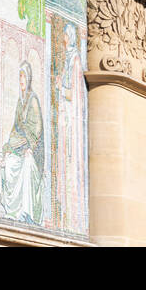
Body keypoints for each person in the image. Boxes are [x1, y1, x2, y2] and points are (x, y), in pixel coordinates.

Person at [0, 60, 44, 225]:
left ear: (29, 78)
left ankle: (26, 212)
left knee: (27, 164)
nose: (21, 81)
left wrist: (31, 148)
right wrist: (7, 149)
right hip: (20, 146)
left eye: (23, 77)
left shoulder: (33, 100)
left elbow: (37, 128)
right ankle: (12, 211)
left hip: (32, 150)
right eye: (19, 77)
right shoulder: (20, 102)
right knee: (10, 162)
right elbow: (15, 128)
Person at [55, 22, 87, 232]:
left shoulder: (74, 61)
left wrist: (60, 87)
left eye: (65, 36)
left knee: (70, 160)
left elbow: (74, 94)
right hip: (64, 118)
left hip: (71, 121)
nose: (64, 39)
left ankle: (73, 214)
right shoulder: (68, 60)